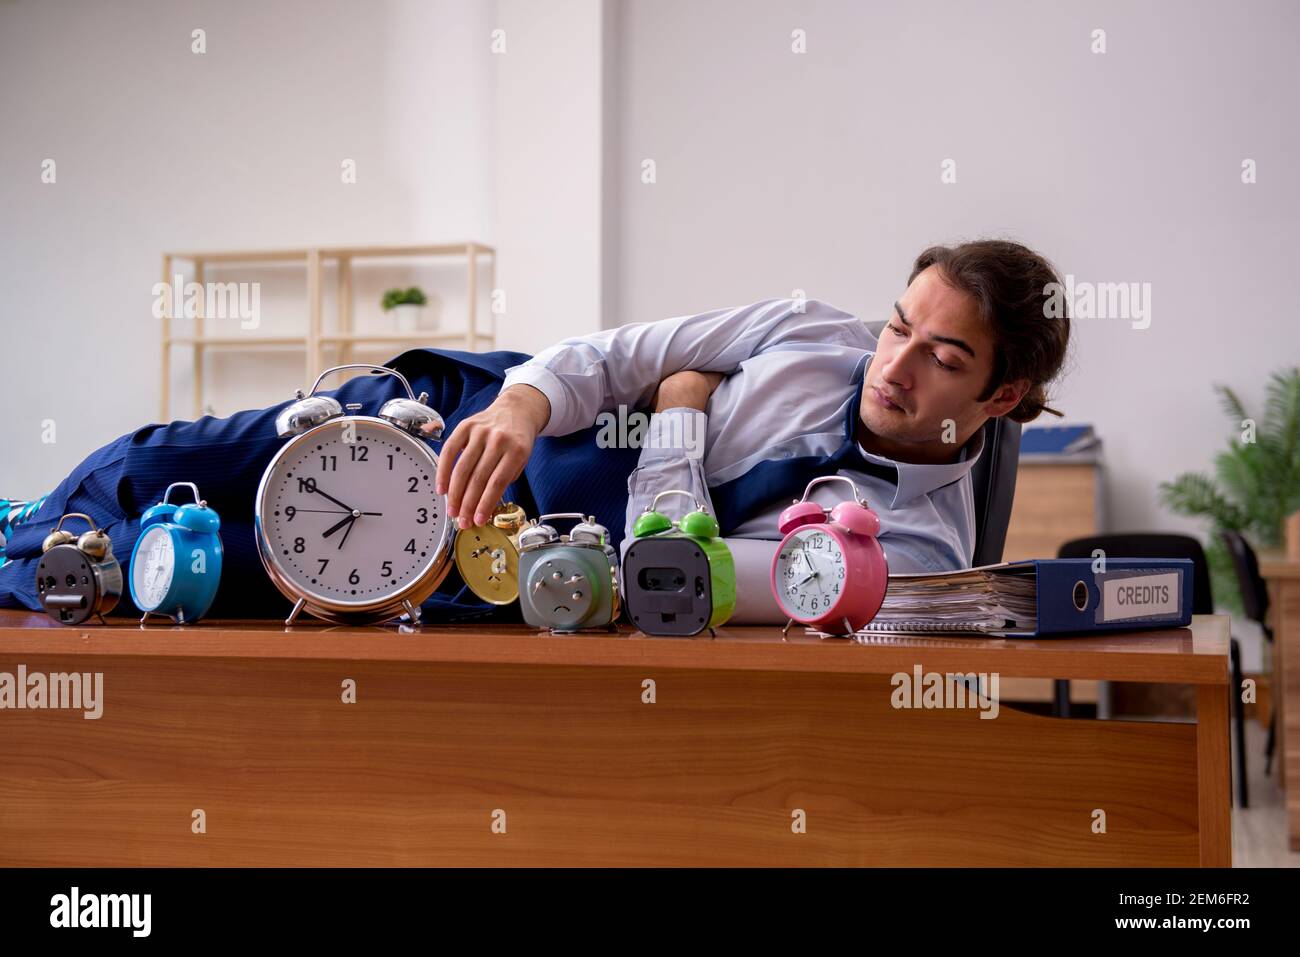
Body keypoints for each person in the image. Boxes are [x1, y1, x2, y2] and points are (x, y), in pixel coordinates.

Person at [0, 239, 1070, 624]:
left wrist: (684, 413)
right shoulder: (806, 331)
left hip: (476, 565)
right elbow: (612, 353)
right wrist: (517, 402)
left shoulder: (907, 551)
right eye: (900, 325)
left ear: (1001, 397)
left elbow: (669, 581)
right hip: (436, 426)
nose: (894, 363)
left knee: (133, 580)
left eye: (944, 356)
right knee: (144, 465)